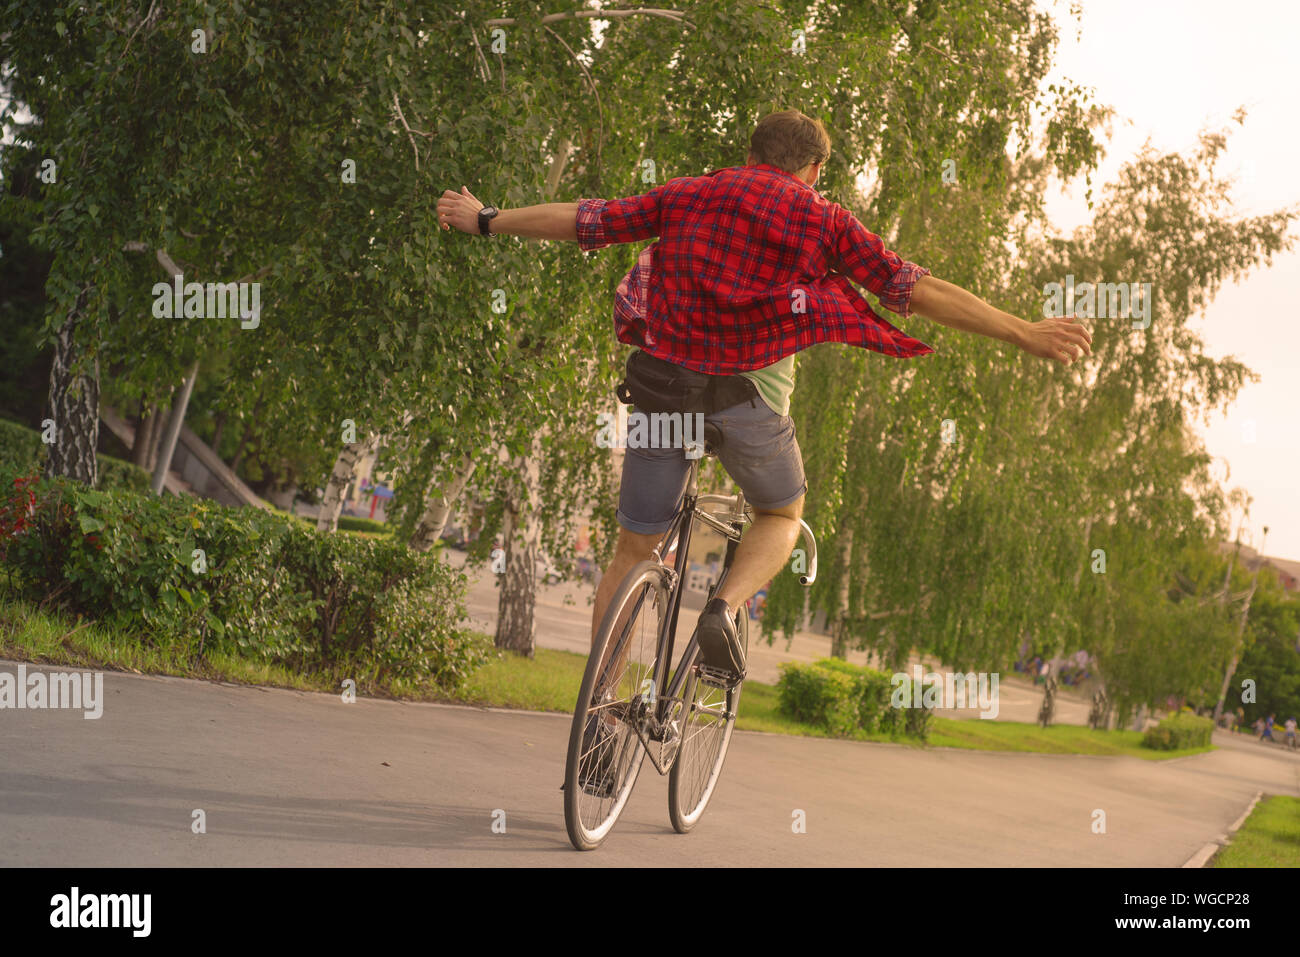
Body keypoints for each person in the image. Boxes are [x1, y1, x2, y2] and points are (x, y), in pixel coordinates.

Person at [438, 110, 1091, 786]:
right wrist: (1022, 332)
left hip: (662, 391)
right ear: (812, 171)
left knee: (634, 550)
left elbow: (586, 220)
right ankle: (723, 606)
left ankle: (597, 724)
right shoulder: (823, 218)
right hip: (745, 405)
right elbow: (911, 288)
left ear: (750, 153)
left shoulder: (689, 192)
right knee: (781, 515)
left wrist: (486, 218)